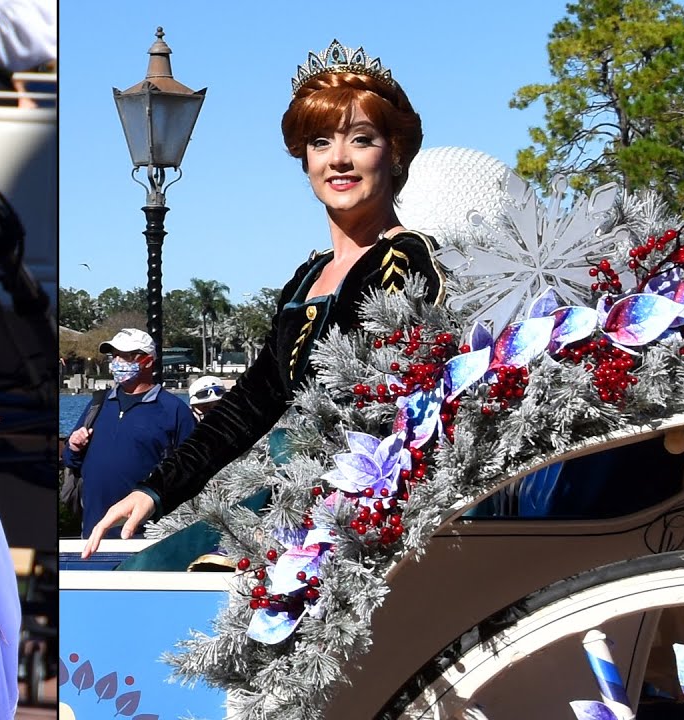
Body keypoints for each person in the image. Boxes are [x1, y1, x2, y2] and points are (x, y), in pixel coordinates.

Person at [82, 40, 446, 561]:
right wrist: (155, 489)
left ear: (396, 153)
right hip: (284, 493)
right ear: (305, 160)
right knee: (155, 562)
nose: (338, 159)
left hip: (352, 510)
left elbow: (400, 408)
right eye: (320, 143)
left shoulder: (406, 259)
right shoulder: (307, 277)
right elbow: (248, 406)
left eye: (361, 139)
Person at [62, 328, 195, 539]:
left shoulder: (174, 410)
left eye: (125, 356)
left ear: (148, 361)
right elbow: (71, 459)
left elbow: (191, 471)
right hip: (93, 533)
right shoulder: (98, 404)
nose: (117, 362)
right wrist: (74, 447)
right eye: (114, 356)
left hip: (147, 538)